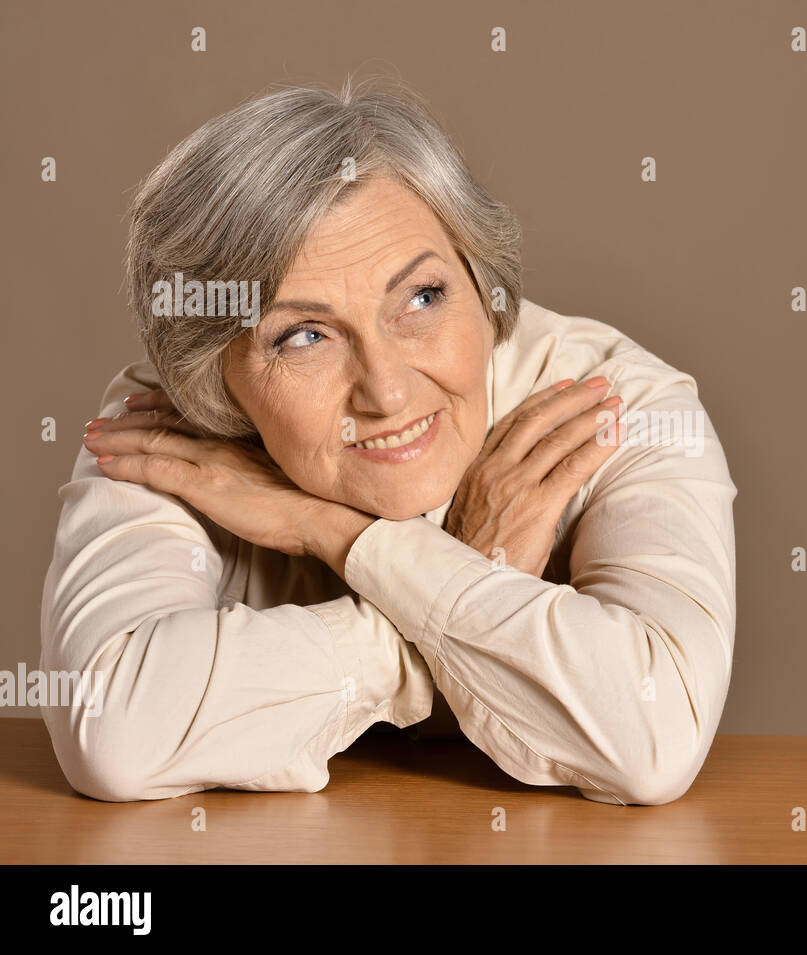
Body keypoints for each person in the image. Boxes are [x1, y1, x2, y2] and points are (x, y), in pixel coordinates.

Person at [39, 78, 738, 806]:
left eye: (422, 297)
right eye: (304, 336)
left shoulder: (619, 404)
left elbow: (652, 737)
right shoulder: (169, 431)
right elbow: (115, 734)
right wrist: (441, 603)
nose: (388, 391)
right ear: (214, 382)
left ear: (480, 277)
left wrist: (340, 536)